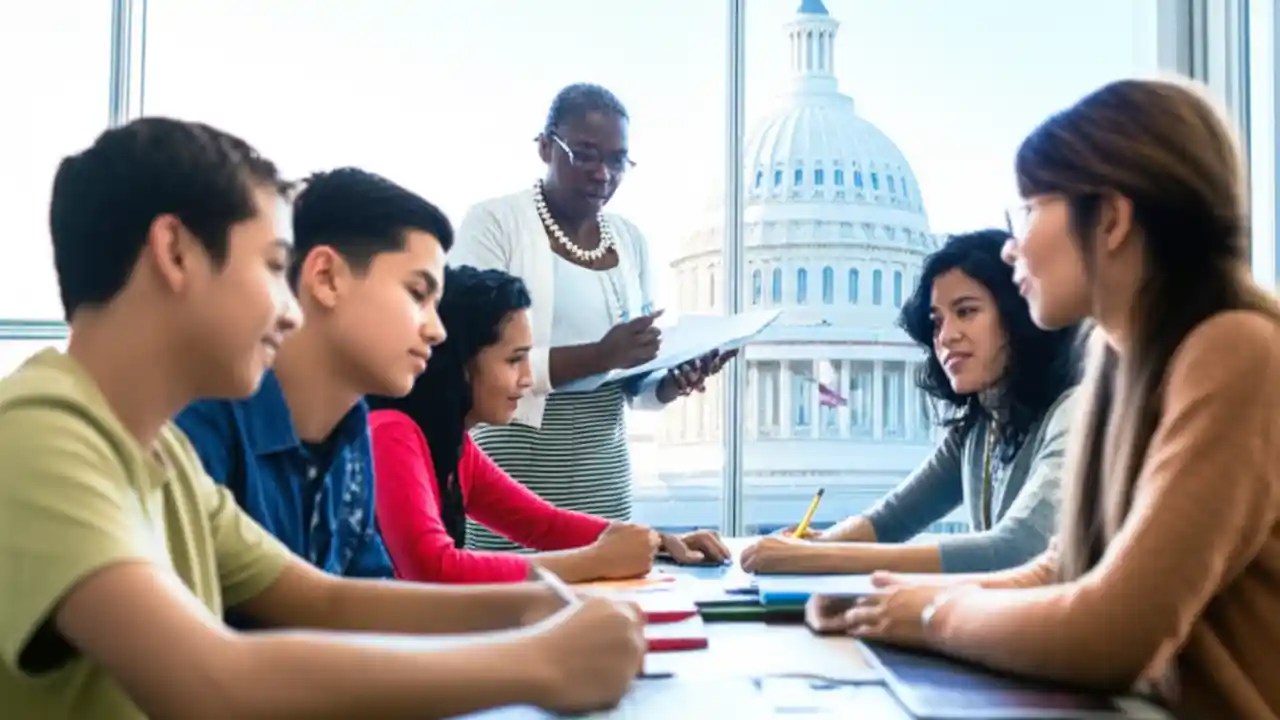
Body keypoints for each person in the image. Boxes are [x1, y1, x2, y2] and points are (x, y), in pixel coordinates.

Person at [0, 117, 645, 719]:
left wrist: (536, 601)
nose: (290, 311)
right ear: (175, 252)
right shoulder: (40, 434)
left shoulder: (159, 455)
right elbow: (211, 679)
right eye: (276, 268)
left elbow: (324, 598)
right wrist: (539, 662)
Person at [808, 78, 1280, 719]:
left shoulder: (1236, 348)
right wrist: (886, 595)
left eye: (1028, 211)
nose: (1012, 246)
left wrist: (930, 613)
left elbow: (1115, 631)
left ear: (1110, 218)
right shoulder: (1119, 363)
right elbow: (1062, 569)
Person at [450, 82, 731, 554]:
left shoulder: (629, 239)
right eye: (584, 154)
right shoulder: (495, 222)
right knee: (515, 600)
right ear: (544, 146)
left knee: (608, 587)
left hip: (605, 464)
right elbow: (476, 358)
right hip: (516, 461)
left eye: (617, 160)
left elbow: (629, 378)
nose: (603, 173)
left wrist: (668, 381)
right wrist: (602, 354)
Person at [741, 229, 1079, 575]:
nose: (946, 336)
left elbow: (1016, 550)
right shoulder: (980, 425)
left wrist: (818, 558)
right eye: (937, 322)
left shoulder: (1074, 413)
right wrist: (817, 545)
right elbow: (892, 518)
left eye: (966, 311)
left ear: (1017, 315)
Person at [368, 265, 731, 584]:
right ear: (459, 363)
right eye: (514, 360)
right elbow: (433, 569)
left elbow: (543, 524)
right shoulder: (391, 432)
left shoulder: (452, 444)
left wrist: (658, 541)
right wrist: (594, 561)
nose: (528, 380)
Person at [175, 167, 450, 580]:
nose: (437, 329)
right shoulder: (199, 422)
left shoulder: (351, 430)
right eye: (417, 294)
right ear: (326, 278)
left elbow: (370, 602)